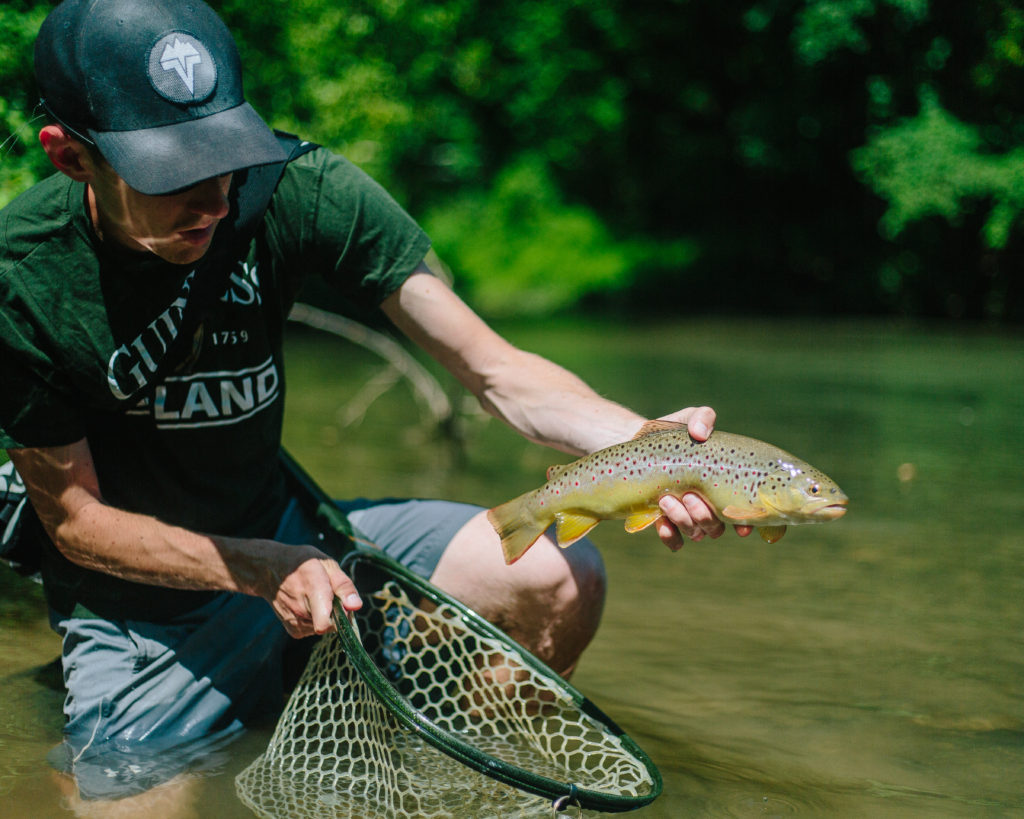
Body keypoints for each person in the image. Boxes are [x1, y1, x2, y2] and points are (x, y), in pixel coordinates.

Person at [0, 0, 750, 809]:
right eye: (172, 176)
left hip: (296, 537)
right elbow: (74, 522)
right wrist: (258, 570)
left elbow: (495, 371)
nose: (215, 201)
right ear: (72, 156)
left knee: (560, 573)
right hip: (145, 610)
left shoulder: (295, 188)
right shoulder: (25, 277)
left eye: (223, 158)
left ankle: (450, 782)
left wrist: (651, 443)